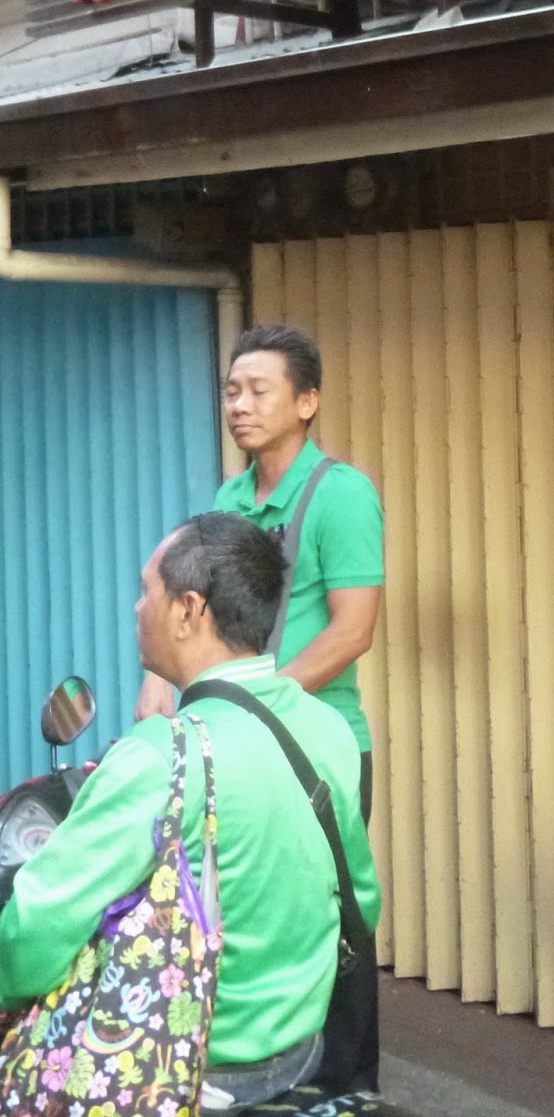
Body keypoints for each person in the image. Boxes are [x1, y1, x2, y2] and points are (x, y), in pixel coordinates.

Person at [0, 512, 381, 1112]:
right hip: (300, 1050)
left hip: (187, 1064)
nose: (135, 608)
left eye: (147, 590)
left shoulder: (157, 757)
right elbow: (362, 899)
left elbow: (31, 937)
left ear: (188, 610)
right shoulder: (328, 729)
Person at [135, 322, 386, 1091]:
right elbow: (203, 620)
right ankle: (260, 1074)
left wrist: (262, 707)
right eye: (230, 391)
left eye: (258, 390)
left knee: (332, 915)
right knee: (239, 913)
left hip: (316, 741)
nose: (238, 406)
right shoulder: (231, 497)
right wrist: (163, 688)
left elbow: (353, 629)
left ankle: (344, 1087)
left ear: (307, 401)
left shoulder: (340, 493)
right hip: (239, 742)